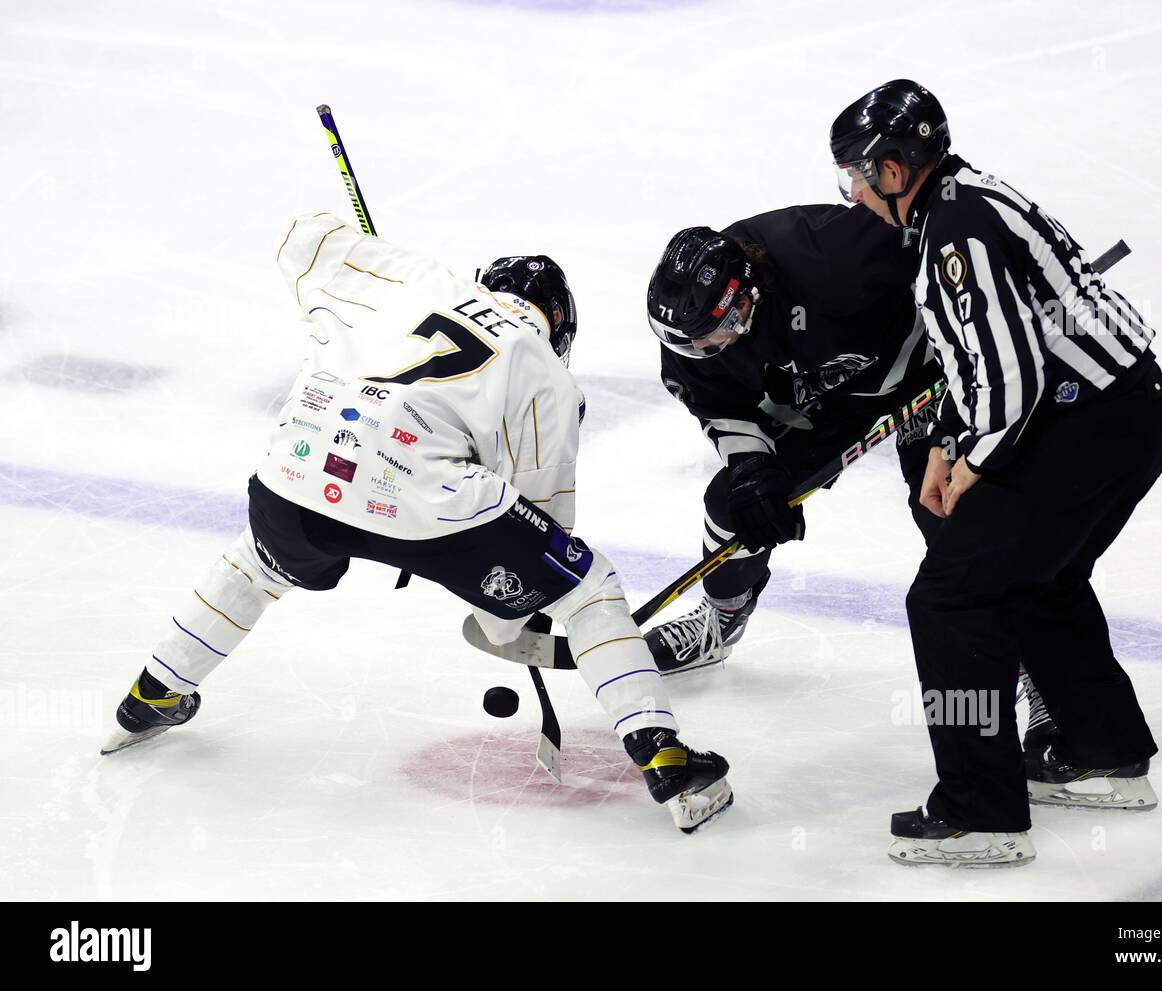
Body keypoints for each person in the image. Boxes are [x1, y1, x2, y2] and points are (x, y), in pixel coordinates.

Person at [101, 213, 733, 834]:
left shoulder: (418, 281)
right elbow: (541, 522)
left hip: (293, 469)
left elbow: (303, 238)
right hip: (423, 499)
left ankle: (153, 694)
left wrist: (383, 264)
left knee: (257, 564)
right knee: (586, 587)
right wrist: (514, 618)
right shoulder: (547, 372)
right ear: (561, 328)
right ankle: (663, 757)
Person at [831, 80, 1162, 866]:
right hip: (1125, 411)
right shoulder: (963, 198)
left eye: (855, 171)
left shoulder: (954, 229)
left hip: (1088, 424)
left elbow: (1010, 376)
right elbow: (986, 358)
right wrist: (951, 440)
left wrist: (968, 458)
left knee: (952, 597)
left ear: (892, 170)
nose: (850, 190)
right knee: (1035, 578)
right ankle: (1101, 750)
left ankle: (981, 811)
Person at [643, 208, 944, 674]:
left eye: (712, 337)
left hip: (924, 375)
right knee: (736, 503)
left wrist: (978, 347)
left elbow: (948, 250)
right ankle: (721, 620)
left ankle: (1035, 669)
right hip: (822, 397)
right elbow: (721, 408)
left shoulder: (837, 254)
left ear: (746, 299)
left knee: (952, 512)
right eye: (690, 344)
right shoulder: (694, 328)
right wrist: (752, 468)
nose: (700, 352)